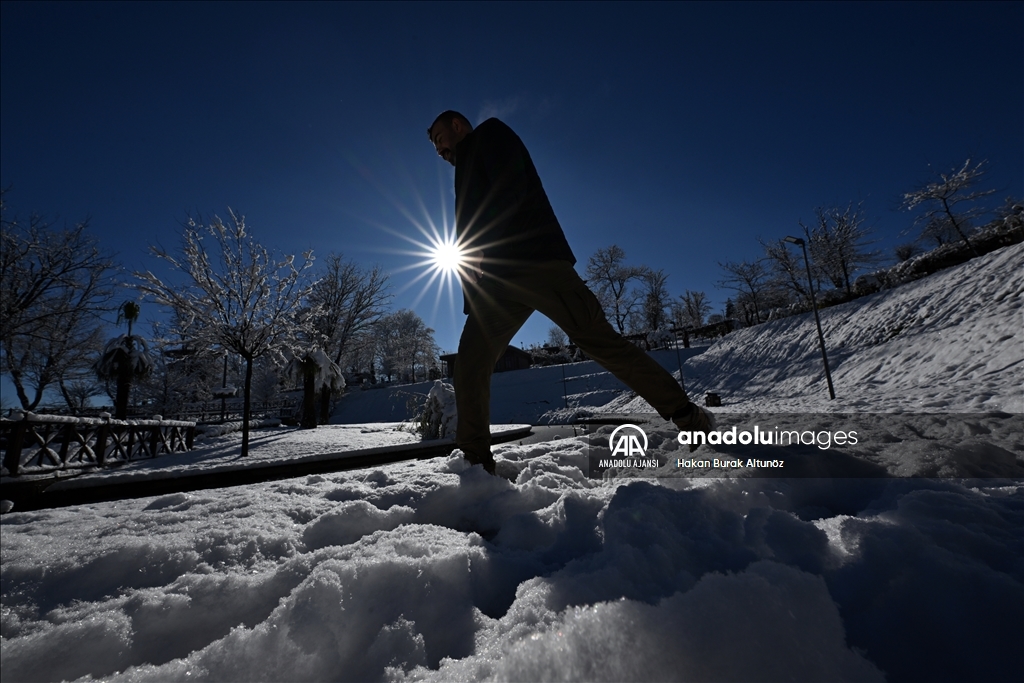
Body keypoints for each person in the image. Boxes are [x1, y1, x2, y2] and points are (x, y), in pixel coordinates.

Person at [427, 110, 713, 474]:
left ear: (456, 126)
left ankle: (688, 416)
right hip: (496, 287)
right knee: (469, 363)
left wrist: (482, 239)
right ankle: (475, 464)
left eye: (439, 138)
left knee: (601, 343)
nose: (439, 149)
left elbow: (511, 187)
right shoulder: (465, 170)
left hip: (538, 263)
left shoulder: (490, 135)